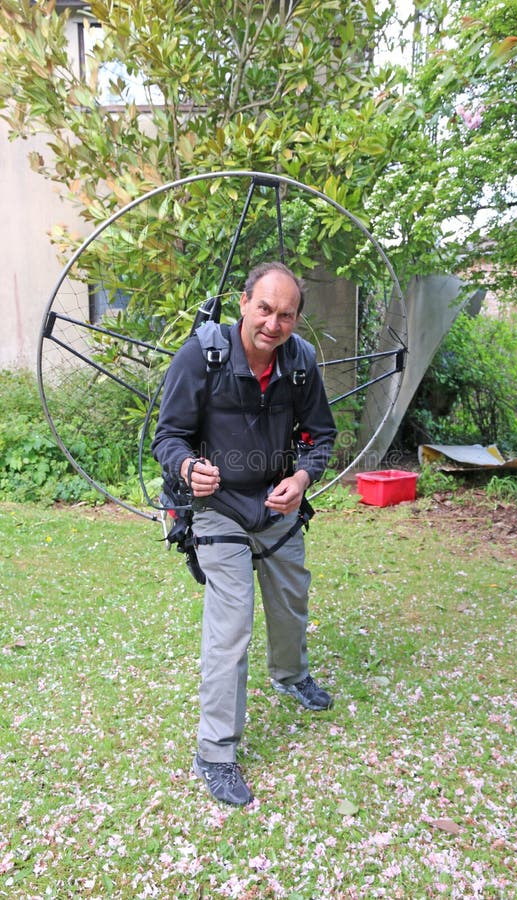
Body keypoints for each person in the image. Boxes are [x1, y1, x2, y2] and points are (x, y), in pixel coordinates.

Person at [152, 261, 337, 806]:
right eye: (264, 309)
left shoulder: (300, 363)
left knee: (290, 599)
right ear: (243, 303)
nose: (273, 325)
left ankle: (290, 674)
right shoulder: (201, 357)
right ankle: (215, 753)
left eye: (286, 315)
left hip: (277, 505)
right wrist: (188, 469)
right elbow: (168, 437)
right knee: (230, 628)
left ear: (296, 319)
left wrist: (302, 478)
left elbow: (320, 436)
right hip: (217, 508)